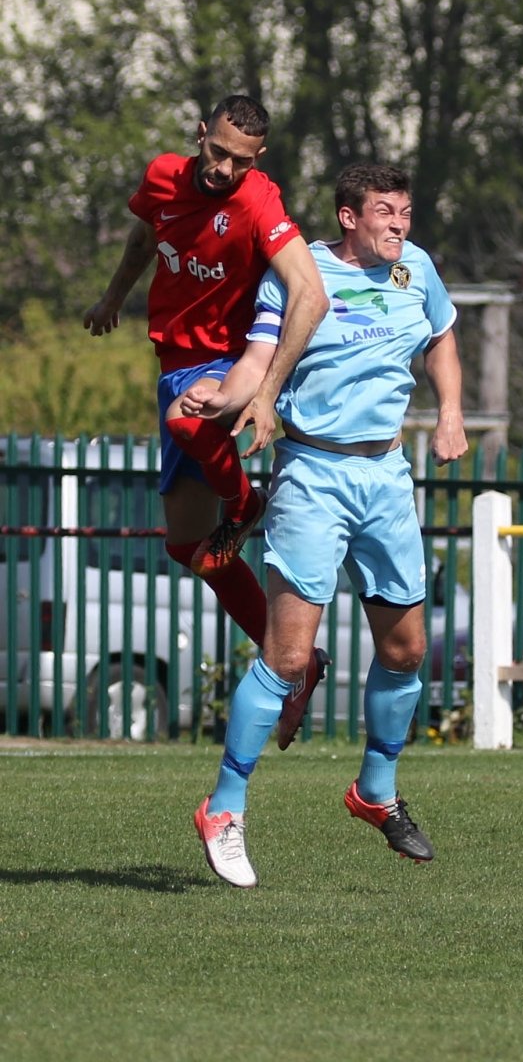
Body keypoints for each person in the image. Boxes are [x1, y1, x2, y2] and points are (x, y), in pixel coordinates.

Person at [184, 161, 469, 887]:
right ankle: (224, 807)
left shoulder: (416, 269)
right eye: (385, 213)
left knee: (406, 649)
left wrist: (450, 413)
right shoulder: (300, 273)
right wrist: (226, 397)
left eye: (405, 212)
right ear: (349, 217)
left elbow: (441, 337)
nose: (399, 225)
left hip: (386, 476)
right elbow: (259, 356)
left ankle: (375, 791)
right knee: (286, 657)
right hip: (313, 475)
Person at [83, 95, 328, 648]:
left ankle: (245, 504)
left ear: (258, 158)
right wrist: (112, 298)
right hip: (175, 360)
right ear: (201, 134)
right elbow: (144, 237)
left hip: (232, 360)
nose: (224, 168)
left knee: (188, 418)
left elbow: (311, 294)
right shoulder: (162, 177)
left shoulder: (259, 201)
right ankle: (292, 661)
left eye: (240, 160)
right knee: (186, 545)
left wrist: (265, 393)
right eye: (218, 152)